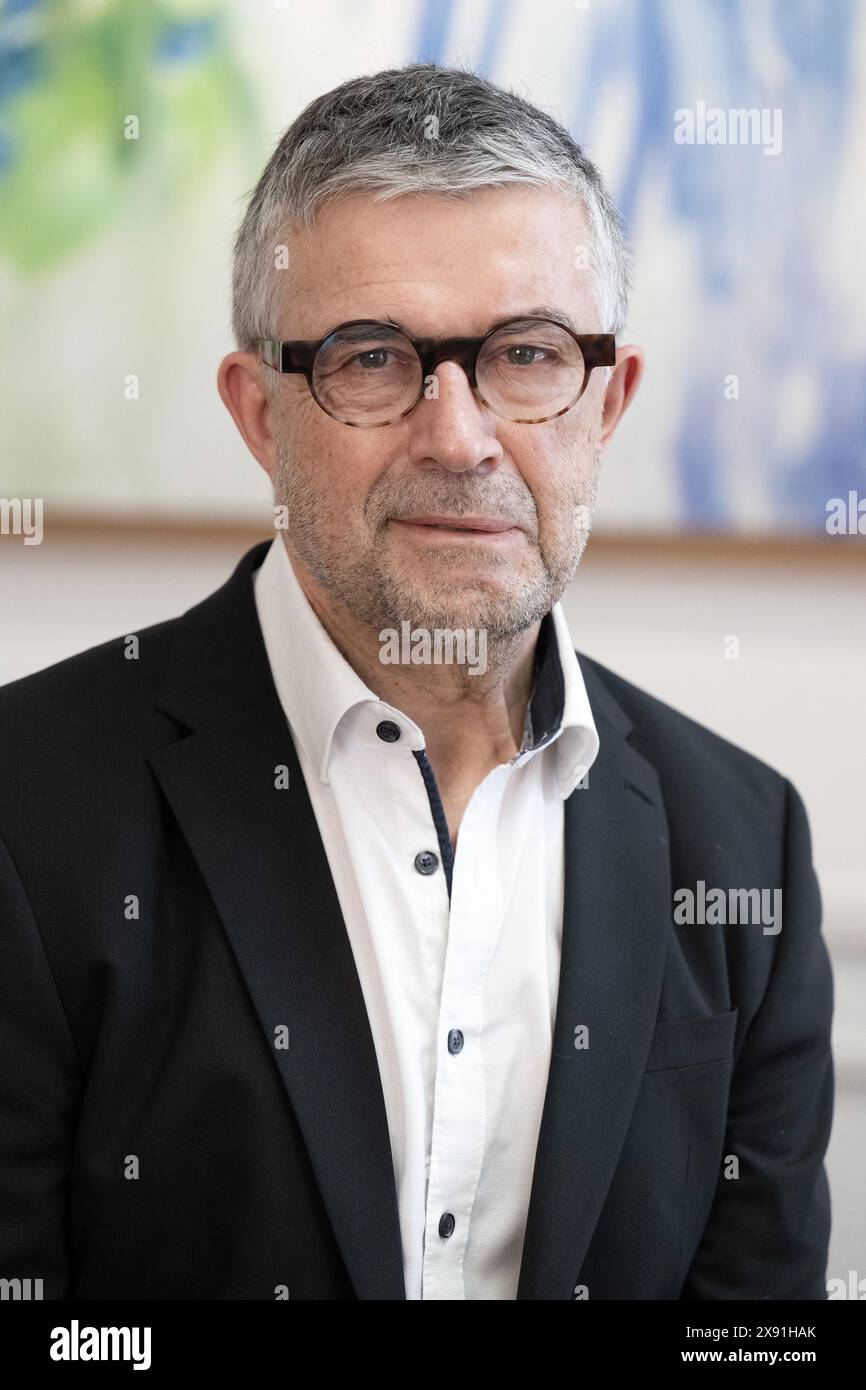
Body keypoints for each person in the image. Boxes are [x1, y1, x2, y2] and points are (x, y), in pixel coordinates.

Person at [0, 63, 833, 1301]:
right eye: (373, 358)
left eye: (529, 353)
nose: (457, 437)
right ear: (258, 414)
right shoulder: (29, 805)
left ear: (608, 404)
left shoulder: (742, 839)